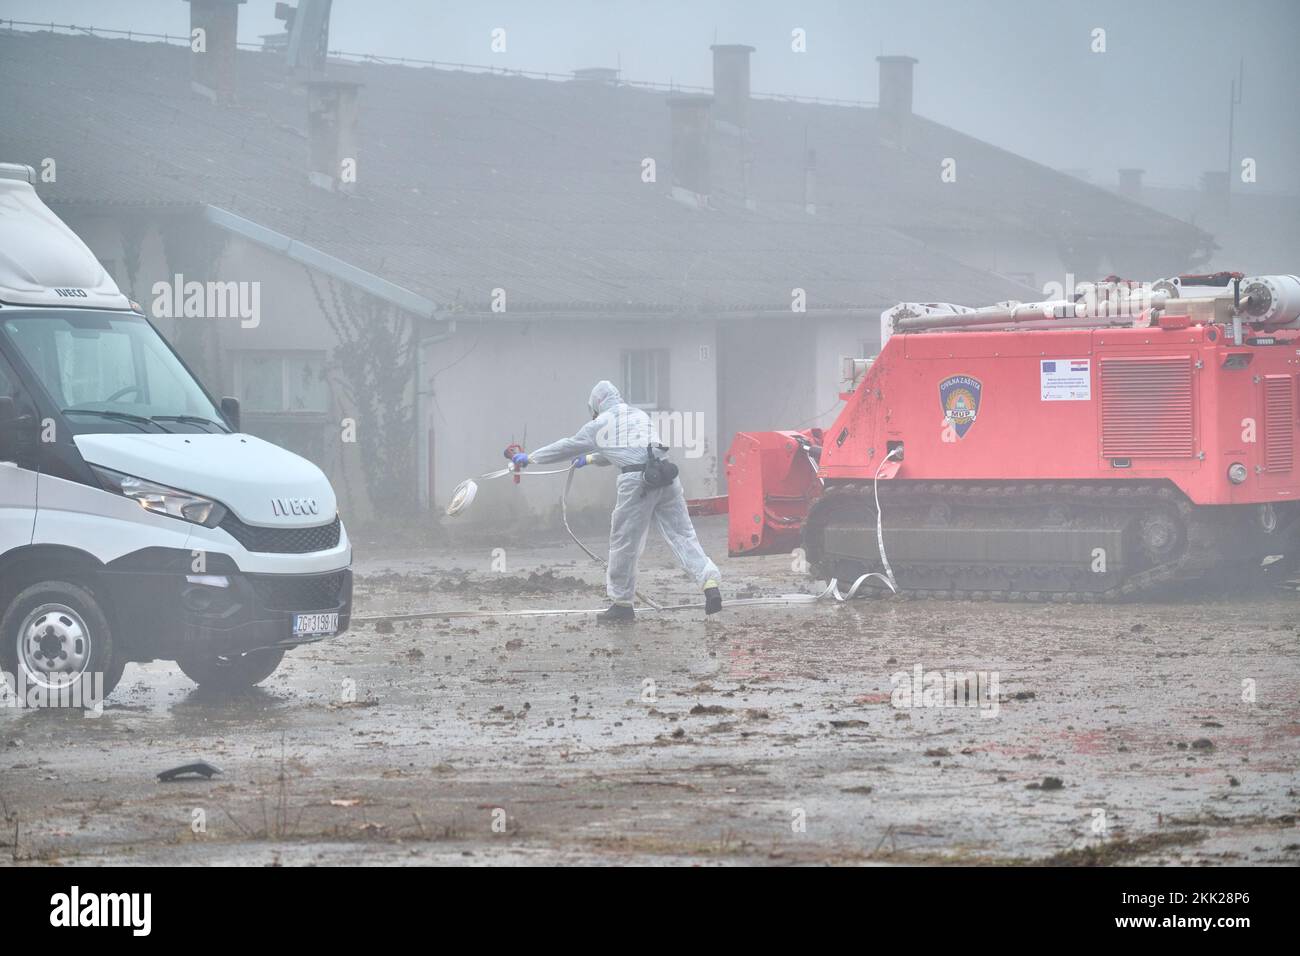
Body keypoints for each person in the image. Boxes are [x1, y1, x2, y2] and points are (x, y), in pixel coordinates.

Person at [506, 381, 722, 623]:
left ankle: (622, 604)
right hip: (666, 475)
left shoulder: (600, 423)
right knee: (683, 534)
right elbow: (627, 448)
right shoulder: (638, 415)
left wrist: (531, 458)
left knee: (624, 543)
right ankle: (710, 583)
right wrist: (588, 459)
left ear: (596, 406)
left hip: (637, 482)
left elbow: (566, 446)